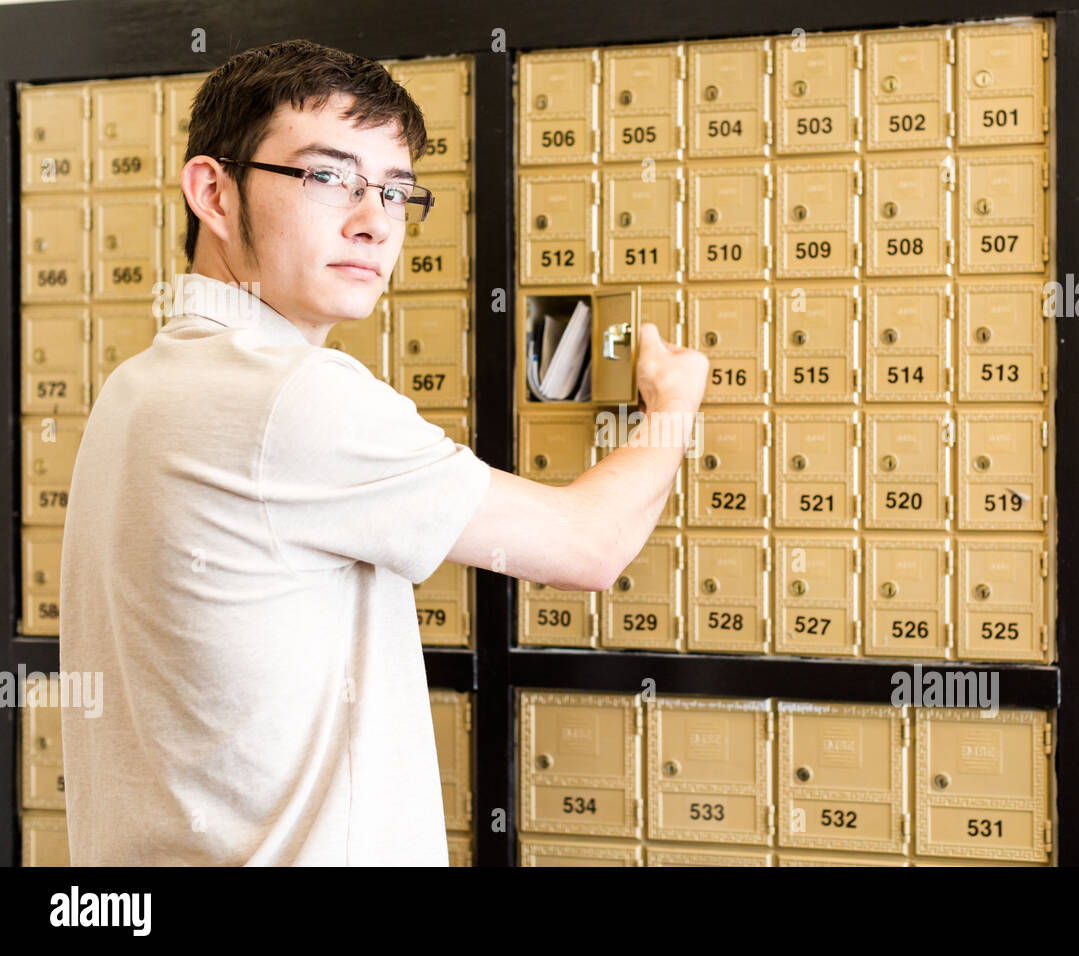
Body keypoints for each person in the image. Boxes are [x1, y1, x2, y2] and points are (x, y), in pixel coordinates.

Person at [58, 38, 708, 866]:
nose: (373, 222)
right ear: (214, 193)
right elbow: (588, 546)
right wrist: (673, 407)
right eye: (327, 177)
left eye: (395, 192)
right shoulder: (292, 395)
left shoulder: (136, 388)